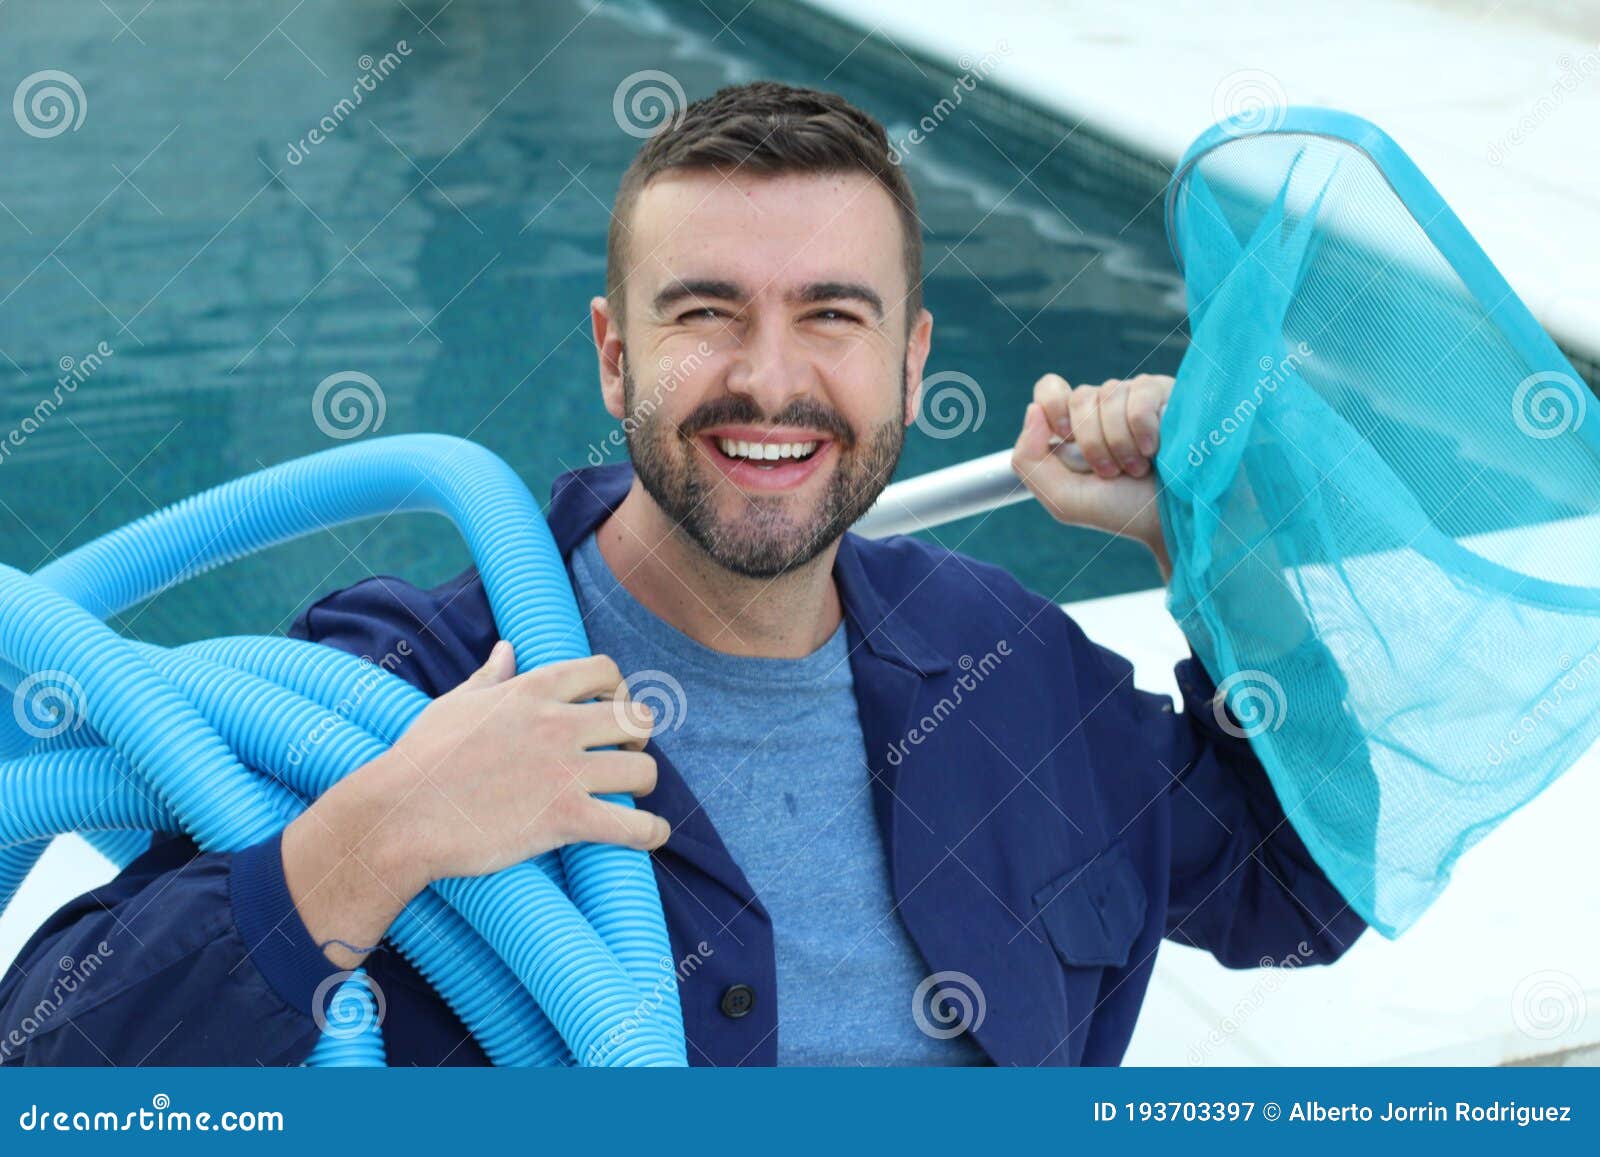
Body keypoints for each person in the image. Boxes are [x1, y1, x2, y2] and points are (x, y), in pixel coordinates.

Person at [0, 81, 1364, 1067]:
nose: (770, 378)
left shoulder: (1010, 673)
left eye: (832, 314)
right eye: (706, 312)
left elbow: (1306, 890)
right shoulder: (405, 687)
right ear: (612, 354)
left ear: (912, 361)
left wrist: (1209, 550)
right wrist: (376, 836)